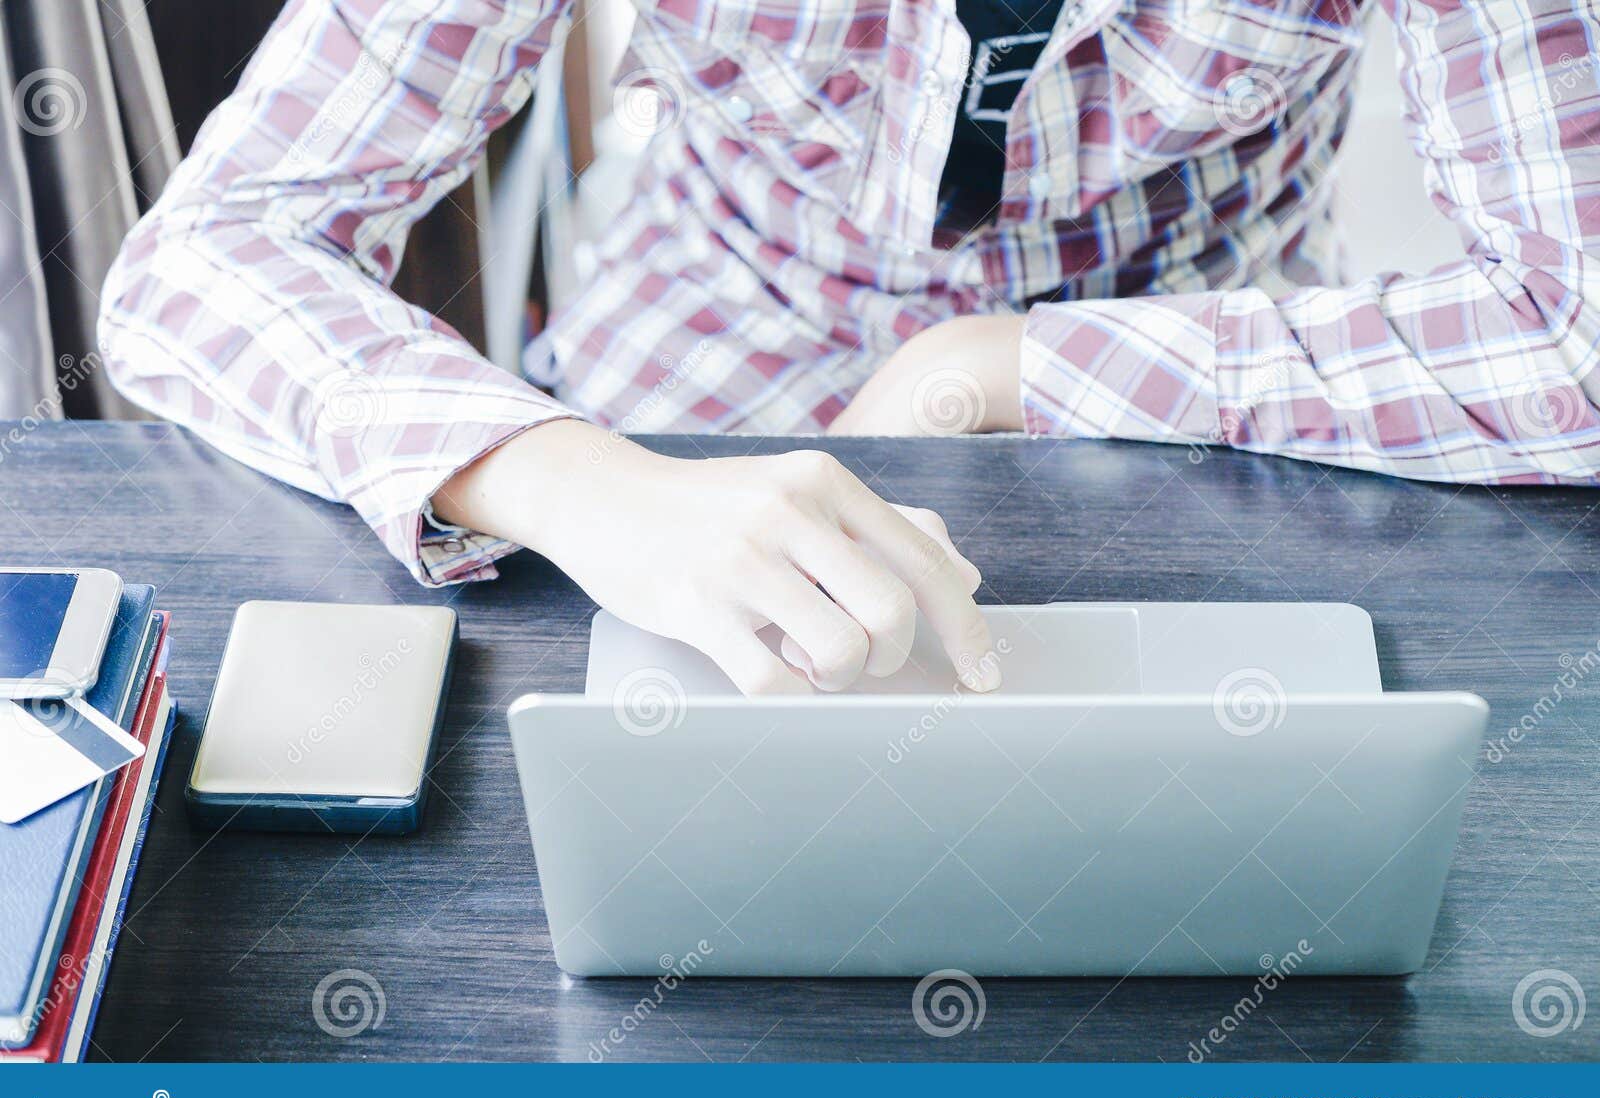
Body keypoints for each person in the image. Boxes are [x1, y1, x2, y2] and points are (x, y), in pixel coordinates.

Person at [100, 1, 1600, 694]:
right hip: (707, 341)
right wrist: (566, 478)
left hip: (1201, 364)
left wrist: (1013, 363)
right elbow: (205, 257)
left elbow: (1576, 336)